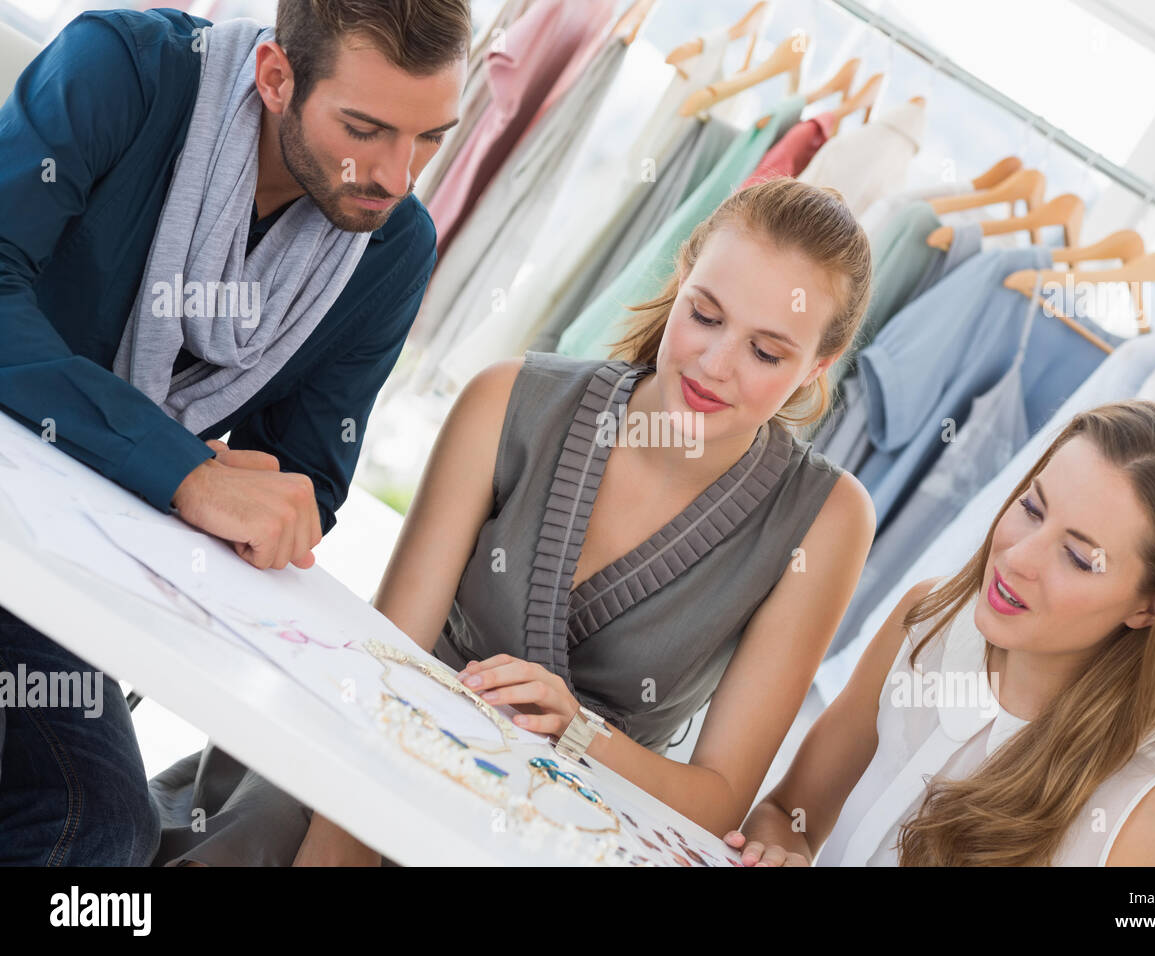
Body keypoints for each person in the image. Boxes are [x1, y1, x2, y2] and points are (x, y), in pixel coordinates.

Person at [150, 176, 878, 865]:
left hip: (554, 835)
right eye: (705, 315)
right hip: (368, 748)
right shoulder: (506, 401)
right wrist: (348, 830)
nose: (716, 363)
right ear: (681, 278)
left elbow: (716, 797)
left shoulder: (825, 520)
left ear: (819, 365)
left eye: (765, 350)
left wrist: (580, 731)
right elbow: (385, 662)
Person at [0, 0, 470, 864]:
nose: (397, 175)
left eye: (430, 137)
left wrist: (231, 493)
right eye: (364, 128)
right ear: (276, 78)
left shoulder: (392, 250)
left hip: (83, 581)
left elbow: (304, 484)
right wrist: (184, 470)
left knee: (106, 836)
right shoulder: (124, 70)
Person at [723, 400, 1155, 866]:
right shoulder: (927, 621)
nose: (1018, 557)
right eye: (1031, 508)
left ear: (1153, 607)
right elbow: (787, 814)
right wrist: (777, 851)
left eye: (1078, 557)